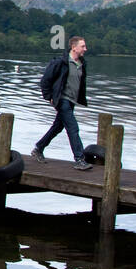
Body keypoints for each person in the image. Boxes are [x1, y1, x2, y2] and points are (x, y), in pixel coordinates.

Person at [30, 36, 92, 171]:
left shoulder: (82, 63)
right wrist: (49, 97)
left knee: (58, 127)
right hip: (61, 99)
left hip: (71, 100)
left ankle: (39, 148)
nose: (85, 49)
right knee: (73, 127)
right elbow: (45, 81)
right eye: (83, 46)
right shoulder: (60, 62)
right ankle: (79, 159)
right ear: (74, 47)